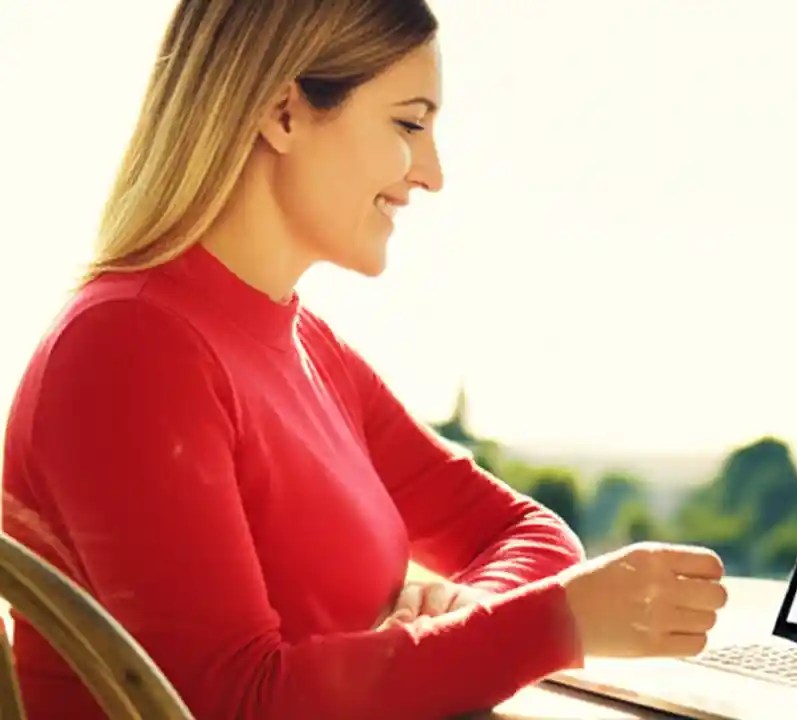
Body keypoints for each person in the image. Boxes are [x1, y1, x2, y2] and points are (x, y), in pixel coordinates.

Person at [0, 1, 728, 718]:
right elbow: (230, 702)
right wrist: (554, 622)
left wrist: (466, 610)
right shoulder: (129, 348)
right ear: (283, 113)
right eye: (408, 124)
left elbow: (527, 533)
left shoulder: (308, 347)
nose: (432, 174)